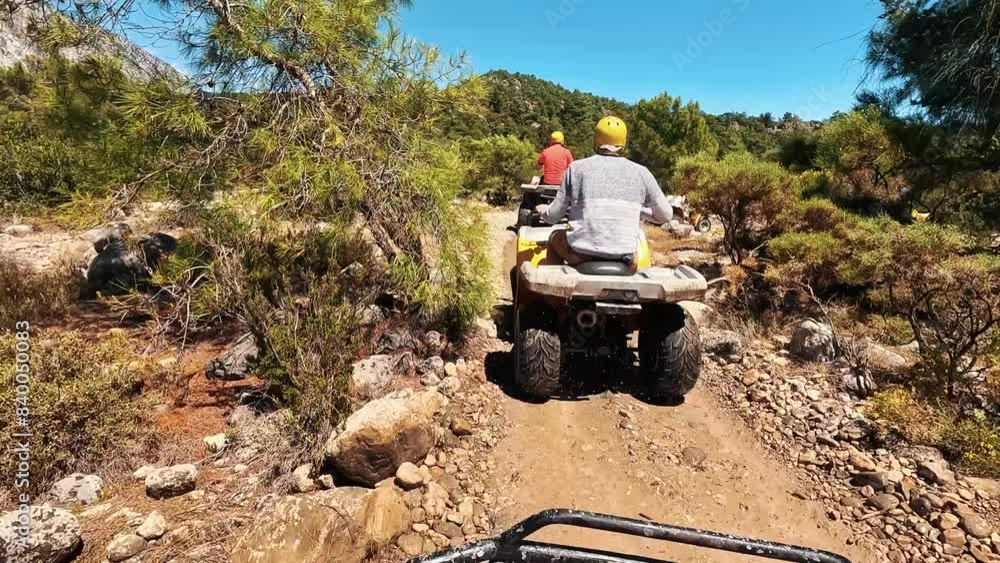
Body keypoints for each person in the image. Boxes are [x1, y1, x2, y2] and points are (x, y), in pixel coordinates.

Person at [538, 116, 673, 266]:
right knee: (637, 250)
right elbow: (666, 215)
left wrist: (542, 210)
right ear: (624, 143)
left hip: (580, 255)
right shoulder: (642, 172)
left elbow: (553, 216)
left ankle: (556, 279)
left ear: (596, 140)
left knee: (554, 238)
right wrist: (638, 210)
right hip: (624, 258)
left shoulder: (576, 168)